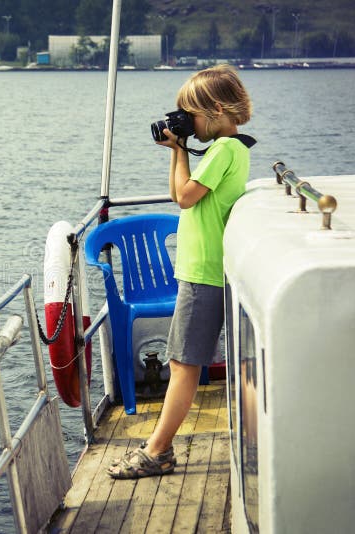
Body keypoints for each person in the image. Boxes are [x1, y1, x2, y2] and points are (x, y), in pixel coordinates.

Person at [108, 64, 254, 479]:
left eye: (191, 115)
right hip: (205, 270)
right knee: (184, 362)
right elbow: (179, 195)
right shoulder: (232, 149)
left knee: (183, 365)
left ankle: (158, 451)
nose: (186, 122)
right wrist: (178, 149)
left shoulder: (224, 150)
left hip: (204, 273)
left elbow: (187, 198)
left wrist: (182, 149)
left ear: (217, 109)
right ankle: (161, 448)